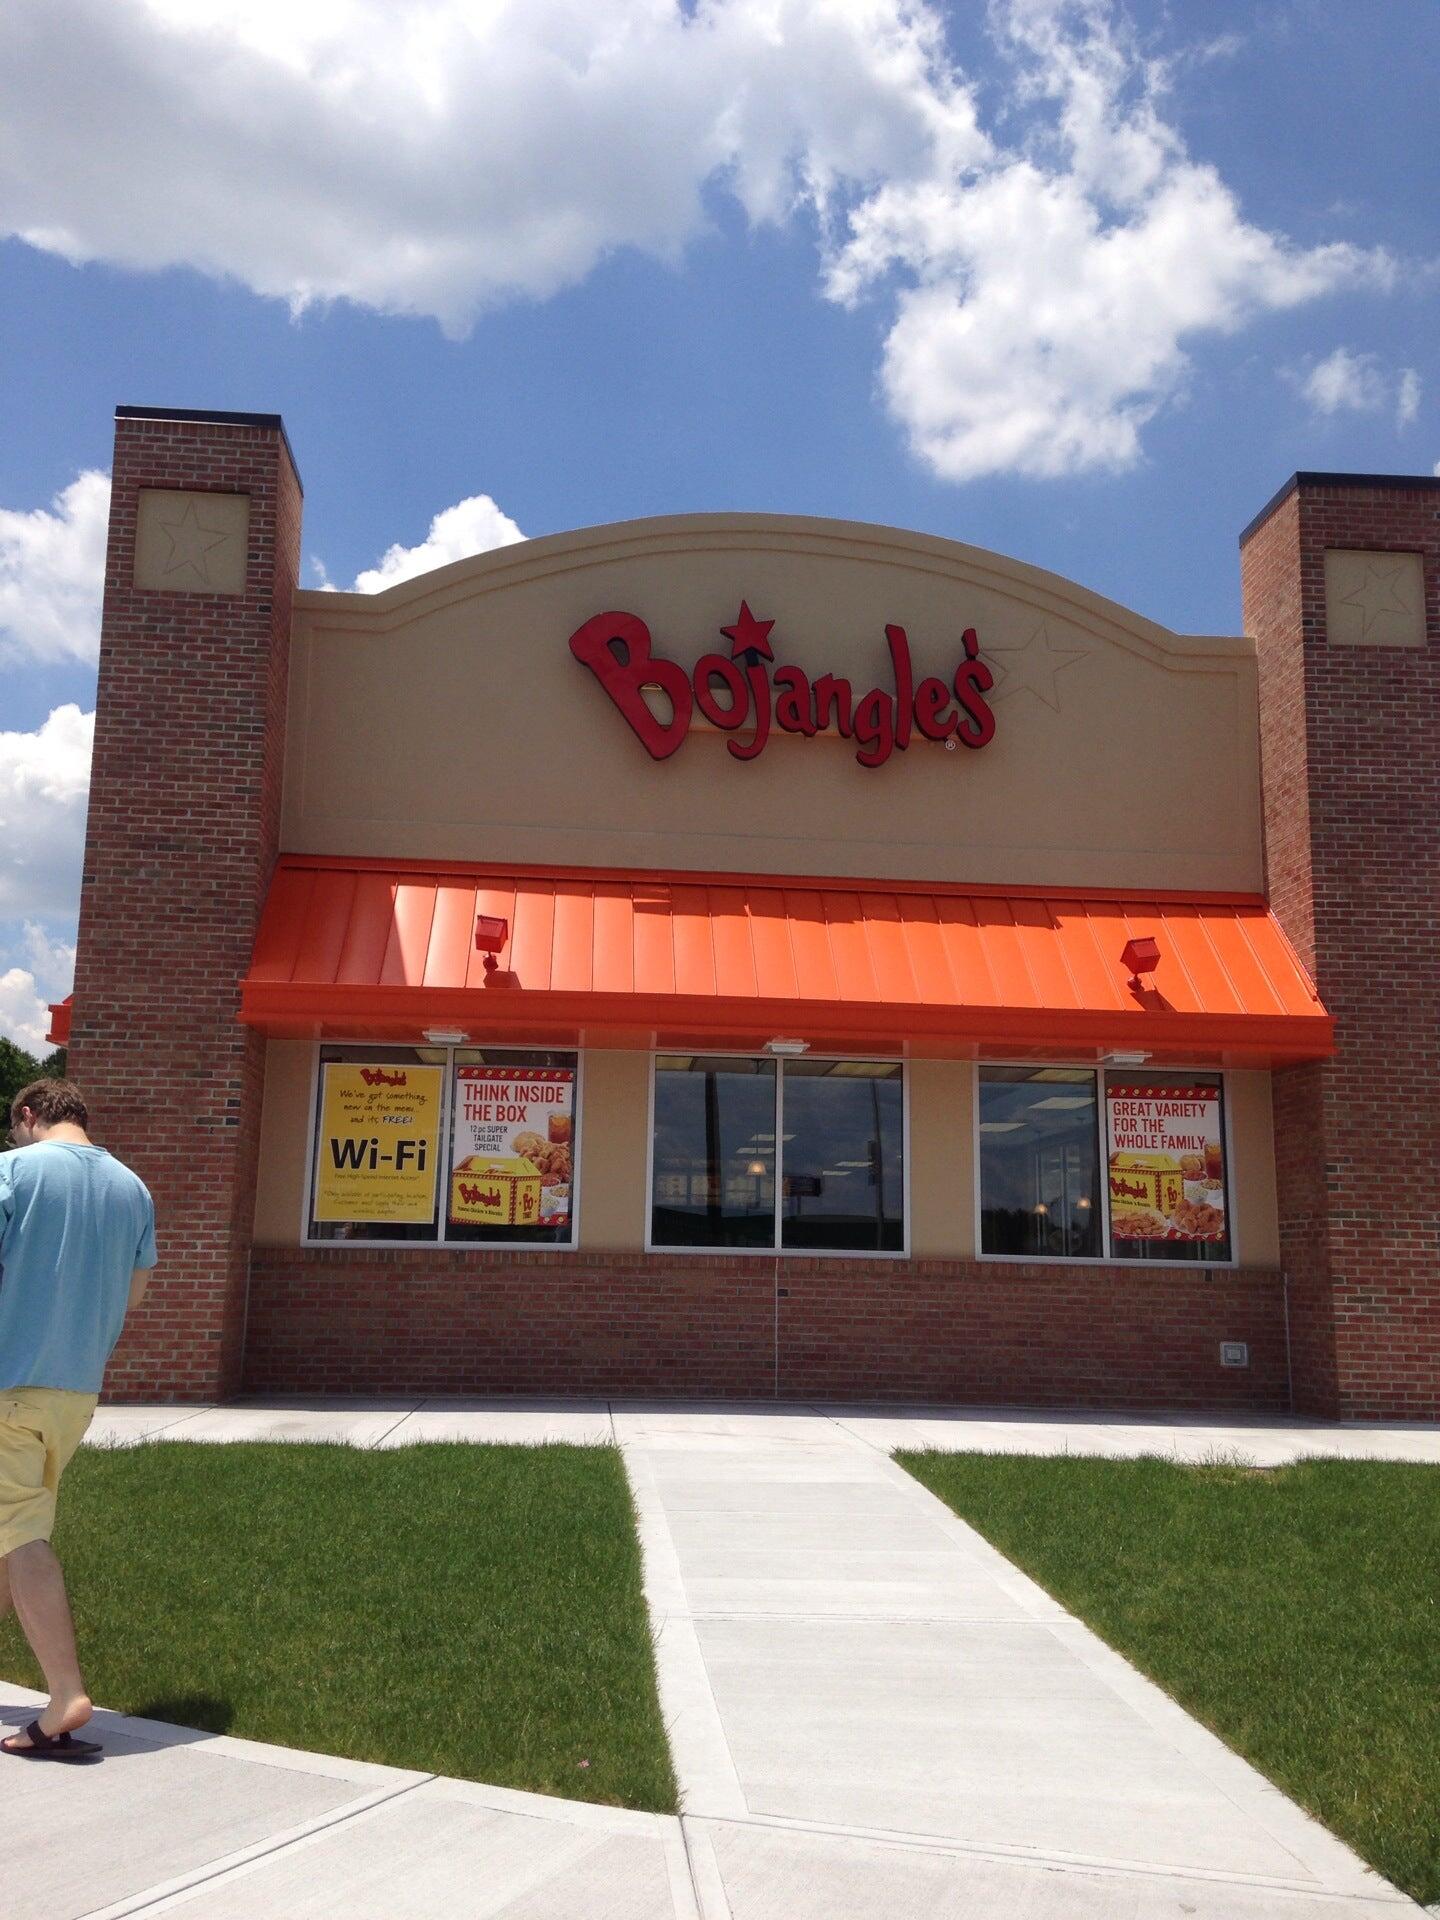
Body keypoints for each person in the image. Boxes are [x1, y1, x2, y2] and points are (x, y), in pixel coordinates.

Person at [0, 1079, 156, 1762]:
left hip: (10, 1383)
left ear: (27, 1115)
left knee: (22, 1535)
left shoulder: (13, 1171)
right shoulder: (133, 1189)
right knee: (11, 1527)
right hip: (75, 1392)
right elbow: (135, 1293)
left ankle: (66, 1696)